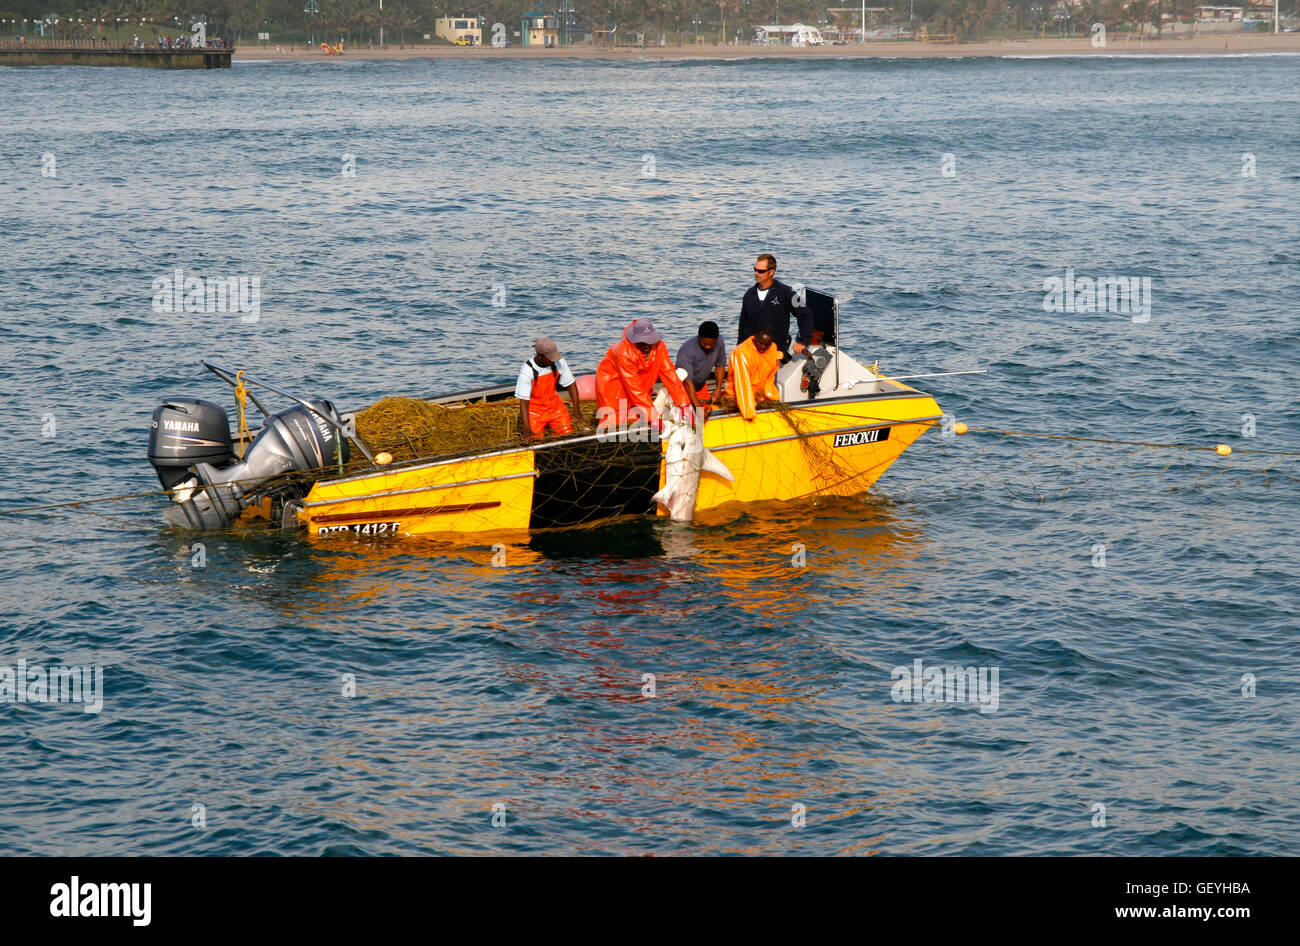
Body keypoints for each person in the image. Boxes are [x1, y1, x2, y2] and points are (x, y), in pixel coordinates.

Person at [596, 318, 693, 431]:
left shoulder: (659, 347)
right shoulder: (623, 351)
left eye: (650, 341)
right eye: (643, 342)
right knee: (615, 417)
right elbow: (634, 388)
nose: (647, 345)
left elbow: (669, 374)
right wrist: (653, 416)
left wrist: (684, 403)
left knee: (637, 414)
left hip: (639, 380)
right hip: (613, 383)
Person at [738, 253, 813, 363]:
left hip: (774, 354)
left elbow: (805, 313)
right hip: (751, 354)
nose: (756, 273)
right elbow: (743, 325)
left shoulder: (786, 292)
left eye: (761, 271)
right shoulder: (749, 295)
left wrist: (803, 341)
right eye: (755, 269)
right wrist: (739, 349)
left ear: (771, 272)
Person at [515, 337, 584, 441]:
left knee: (568, 436)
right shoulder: (527, 371)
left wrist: (576, 409)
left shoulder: (558, 362)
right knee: (534, 441)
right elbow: (524, 401)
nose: (554, 360)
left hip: (555, 408)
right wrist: (526, 427)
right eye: (551, 358)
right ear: (540, 356)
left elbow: (571, 384)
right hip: (535, 412)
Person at [726, 325, 782, 421]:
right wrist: (749, 412)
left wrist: (772, 399)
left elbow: (770, 377)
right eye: (760, 343)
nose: (763, 347)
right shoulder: (742, 352)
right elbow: (742, 383)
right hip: (738, 398)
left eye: (767, 345)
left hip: (759, 397)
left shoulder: (772, 348)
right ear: (754, 338)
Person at [675, 321, 726, 413]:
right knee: (692, 416)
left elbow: (720, 366)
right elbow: (688, 384)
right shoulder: (687, 351)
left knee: (709, 411)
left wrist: (718, 389)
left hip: (701, 387)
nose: (708, 347)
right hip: (683, 390)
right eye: (704, 344)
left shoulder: (720, 341)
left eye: (711, 345)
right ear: (699, 338)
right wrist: (699, 411)